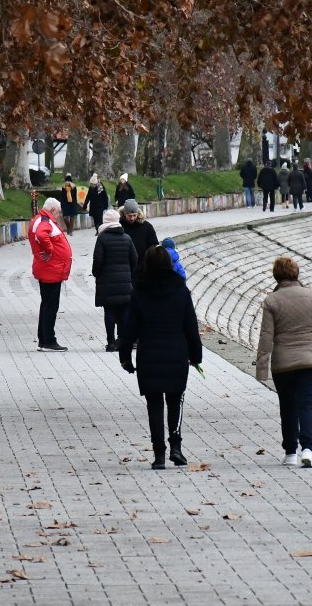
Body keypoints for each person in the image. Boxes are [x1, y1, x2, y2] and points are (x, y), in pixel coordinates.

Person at [119, 246, 203, 469]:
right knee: (175, 400)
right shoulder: (181, 291)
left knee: (154, 404)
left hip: (149, 355)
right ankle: (176, 446)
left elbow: (129, 328)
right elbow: (191, 327)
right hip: (176, 354)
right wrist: (196, 355)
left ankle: (159, 455)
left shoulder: (139, 292)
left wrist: (125, 356)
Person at [255, 257, 312, 468]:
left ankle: (290, 453)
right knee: (307, 405)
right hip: (310, 362)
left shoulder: (272, 300)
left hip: (283, 364)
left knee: (287, 407)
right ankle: (307, 449)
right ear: (297, 274)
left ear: (276, 275)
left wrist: (261, 369)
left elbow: (266, 336)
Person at [31, 197, 73, 351]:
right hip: (51, 269)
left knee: (47, 305)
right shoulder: (44, 221)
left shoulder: (42, 219)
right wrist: (50, 250)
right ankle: (48, 340)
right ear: (53, 210)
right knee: (50, 306)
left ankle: (44, 339)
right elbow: (42, 235)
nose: (58, 216)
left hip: (50, 269)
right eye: (58, 213)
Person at [92, 209, 137, 352]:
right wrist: (128, 274)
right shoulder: (127, 238)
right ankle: (122, 341)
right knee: (124, 312)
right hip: (125, 282)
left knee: (109, 312)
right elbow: (134, 260)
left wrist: (96, 274)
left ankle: (110, 343)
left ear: (105, 223)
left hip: (107, 283)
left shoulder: (102, 239)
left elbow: (97, 260)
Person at [119, 199, 159, 267]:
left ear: (138, 213)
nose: (132, 218)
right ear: (124, 213)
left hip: (142, 266)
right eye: (129, 215)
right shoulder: (119, 226)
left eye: (134, 215)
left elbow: (153, 246)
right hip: (124, 266)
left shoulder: (147, 226)